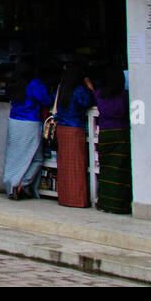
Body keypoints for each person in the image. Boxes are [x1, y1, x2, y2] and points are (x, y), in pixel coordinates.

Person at [87, 66, 132, 214]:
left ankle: (105, 203)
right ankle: (118, 205)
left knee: (106, 169)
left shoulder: (100, 94)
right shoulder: (125, 96)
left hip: (105, 134)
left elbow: (93, 90)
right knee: (120, 170)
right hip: (121, 133)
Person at [3, 60, 50, 200]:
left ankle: (12, 184)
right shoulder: (35, 83)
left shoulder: (13, 82)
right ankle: (21, 184)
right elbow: (46, 100)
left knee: (14, 156)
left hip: (14, 122)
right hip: (30, 122)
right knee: (37, 159)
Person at [53, 64, 95, 208]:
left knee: (65, 166)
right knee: (77, 166)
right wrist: (89, 86)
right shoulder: (79, 90)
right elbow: (89, 101)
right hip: (74, 129)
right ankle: (77, 199)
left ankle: (65, 198)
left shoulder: (62, 89)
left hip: (62, 129)